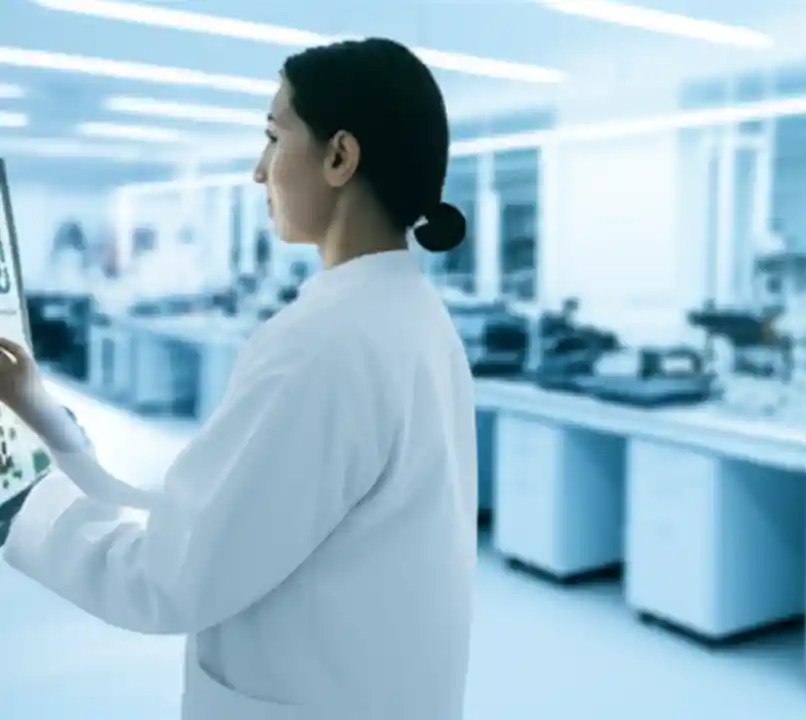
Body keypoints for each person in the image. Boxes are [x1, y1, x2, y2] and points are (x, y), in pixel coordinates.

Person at [0, 37, 477, 720]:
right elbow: (229, 510)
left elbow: (172, 577)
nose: (259, 172)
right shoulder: (408, 315)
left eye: (273, 137)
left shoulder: (323, 346)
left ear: (339, 156)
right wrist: (48, 421)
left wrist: (18, 507)